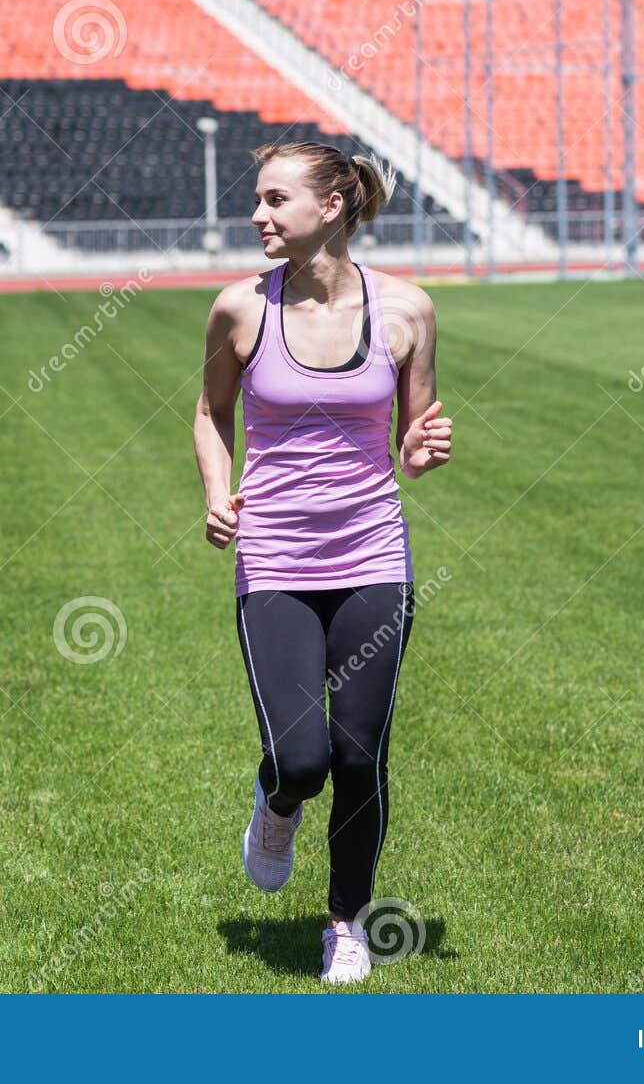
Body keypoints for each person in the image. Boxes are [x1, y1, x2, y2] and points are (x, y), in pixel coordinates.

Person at [193, 141, 452, 985]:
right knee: (301, 759)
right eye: (258, 201)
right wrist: (217, 490)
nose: (258, 216)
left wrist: (424, 449)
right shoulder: (240, 310)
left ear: (331, 206)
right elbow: (210, 413)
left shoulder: (407, 310)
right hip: (273, 554)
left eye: (275, 200)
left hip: (373, 550)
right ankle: (276, 809)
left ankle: (345, 920)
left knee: (360, 754)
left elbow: (413, 441)